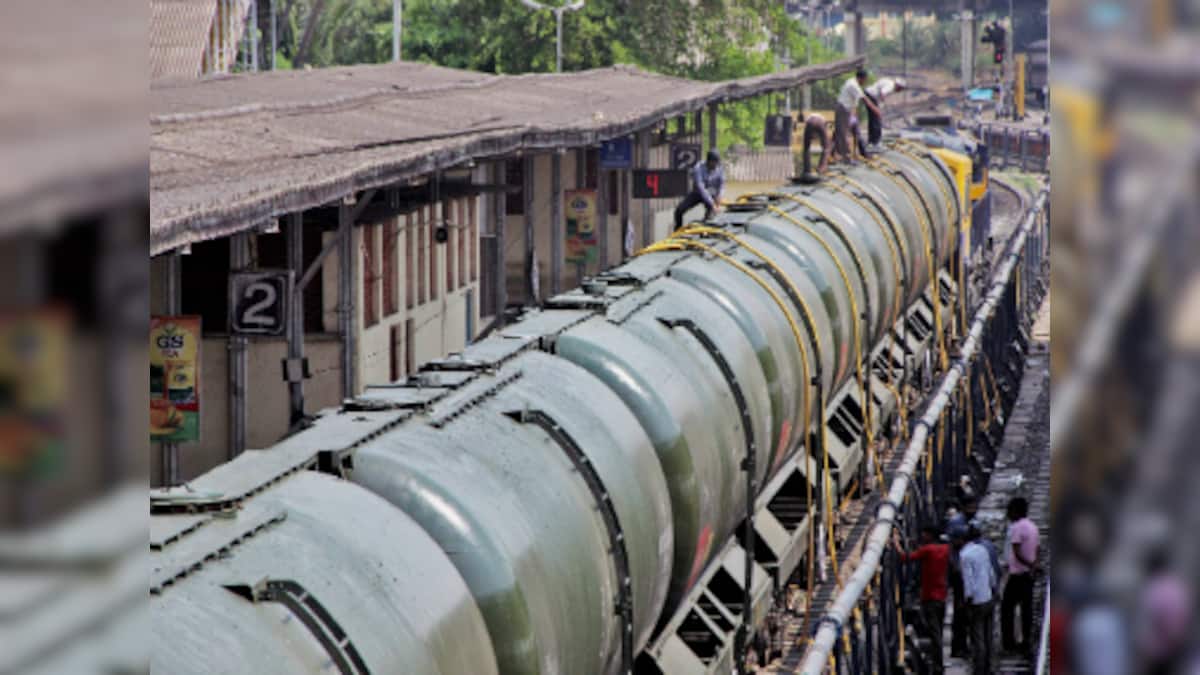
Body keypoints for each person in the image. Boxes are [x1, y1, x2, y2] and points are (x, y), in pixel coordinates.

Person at [895, 526, 951, 674]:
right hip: (942, 595)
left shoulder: (928, 550)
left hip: (929, 596)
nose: (922, 536)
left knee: (933, 632)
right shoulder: (945, 549)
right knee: (938, 630)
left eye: (924, 534)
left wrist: (896, 545)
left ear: (930, 535)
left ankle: (938, 665)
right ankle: (937, 661)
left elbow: (906, 558)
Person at [1002, 496, 1040, 655]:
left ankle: (1009, 643)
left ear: (1016, 511)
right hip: (1028, 576)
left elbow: (1016, 552)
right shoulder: (1033, 527)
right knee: (1026, 609)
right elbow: (1037, 549)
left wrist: (1029, 564)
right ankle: (1026, 641)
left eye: (1009, 511)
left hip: (1018, 575)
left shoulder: (1017, 528)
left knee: (1007, 608)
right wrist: (1034, 565)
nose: (1008, 514)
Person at [961, 526, 997, 674]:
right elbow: (990, 572)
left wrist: (967, 600)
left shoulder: (965, 555)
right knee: (988, 636)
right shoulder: (983, 550)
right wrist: (993, 589)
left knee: (978, 638)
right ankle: (989, 666)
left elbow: (968, 580)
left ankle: (979, 669)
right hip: (988, 596)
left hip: (976, 601)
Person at [834, 69, 880, 163]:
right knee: (843, 134)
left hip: (848, 110)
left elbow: (855, 103)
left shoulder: (854, 84)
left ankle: (863, 153)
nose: (865, 82)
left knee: (856, 131)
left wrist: (854, 115)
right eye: (865, 79)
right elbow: (865, 99)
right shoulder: (853, 85)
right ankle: (846, 157)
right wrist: (875, 110)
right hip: (843, 109)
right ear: (862, 78)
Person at [673, 149, 724, 231]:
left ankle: (707, 230)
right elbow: (701, 188)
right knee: (679, 210)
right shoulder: (698, 168)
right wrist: (712, 204)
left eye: (717, 163)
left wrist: (719, 196)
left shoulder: (720, 168)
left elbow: (721, 185)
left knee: (711, 215)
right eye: (714, 163)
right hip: (698, 193)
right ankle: (677, 230)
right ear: (709, 161)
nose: (715, 165)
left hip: (711, 193)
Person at [863, 77, 906, 146]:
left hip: (869, 95)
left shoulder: (889, 82)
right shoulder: (891, 86)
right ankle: (875, 141)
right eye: (900, 89)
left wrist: (880, 104)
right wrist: (884, 102)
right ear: (898, 86)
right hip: (871, 96)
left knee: (873, 119)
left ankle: (871, 141)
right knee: (876, 119)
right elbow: (882, 93)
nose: (900, 91)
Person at [799, 112, 831, 178]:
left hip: (810, 123)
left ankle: (807, 170)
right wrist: (823, 143)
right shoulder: (823, 120)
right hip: (820, 123)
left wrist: (810, 138)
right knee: (826, 148)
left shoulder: (809, 118)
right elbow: (824, 136)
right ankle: (821, 168)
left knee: (806, 148)